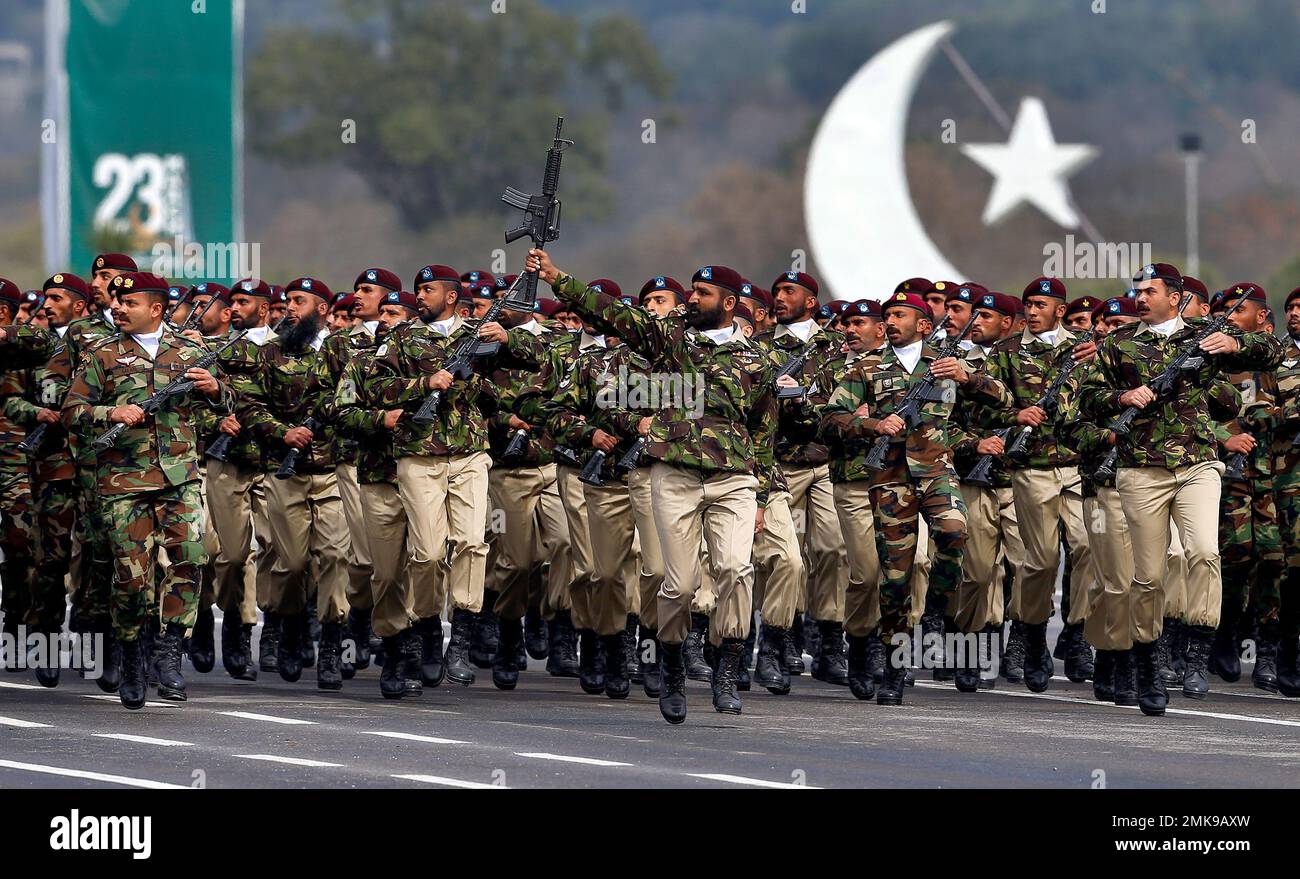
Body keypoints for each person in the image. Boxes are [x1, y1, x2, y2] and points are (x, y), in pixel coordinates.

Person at [532, 250, 776, 724]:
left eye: (703, 293)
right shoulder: (671, 339)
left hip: (734, 478)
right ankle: (670, 662)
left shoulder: (757, 357)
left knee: (734, 571)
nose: (692, 297)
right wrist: (557, 278)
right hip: (675, 474)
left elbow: (764, 431)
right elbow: (612, 313)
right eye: (692, 290)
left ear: (729, 303)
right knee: (678, 583)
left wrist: (762, 494)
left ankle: (728, 665)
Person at [1078, 265, 1282, 716]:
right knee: (1148, 577)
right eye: (1138, 290)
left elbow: (1273, 350)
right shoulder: (1118, 342)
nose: (1141, 297)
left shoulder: (1207, 337)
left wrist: (1235, 342)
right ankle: (1150, 661)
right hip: (1141, 469)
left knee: (1204, 553)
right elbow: (1087, 397)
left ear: (1176, 297)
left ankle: (1197, 650)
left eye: (1150, 291)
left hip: (1198, 463)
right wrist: (1121, 399)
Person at [62, 271, 230, 710]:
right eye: (116, 302)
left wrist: (215, 391)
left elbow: (226, 405)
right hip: (124, 482)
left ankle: (170, 653)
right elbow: (71, 409)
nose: (117, 307)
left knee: (190, 560)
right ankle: (132, 653)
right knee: (131, 579)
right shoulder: (103, 354)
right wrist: (111, 410)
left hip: (181, 477)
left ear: (155, 309)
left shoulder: (191, 350)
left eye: (128, 302)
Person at [238, 276, 351, 690]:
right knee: (291, 563)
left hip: (332, 471)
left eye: (299, 301)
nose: (289, 308)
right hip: (283, 473)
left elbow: (356, 399)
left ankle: (333, 647)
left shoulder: (345, 352)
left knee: (336, 557)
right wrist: (281, 432)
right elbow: (249, 404)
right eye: (287, 301)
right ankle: (288, 625)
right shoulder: (268, 351)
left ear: (323, 309)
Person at [985, 277, 1097, 692]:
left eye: (1040, 305)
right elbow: (988, 401)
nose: (1031, 311)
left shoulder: (1085, 349)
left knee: (1087, 548)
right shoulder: (1006, 353)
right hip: (1031, 468)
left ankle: (1080, 630)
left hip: (1078, 466)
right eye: (1028, 304)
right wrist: (1017, 414)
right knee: (1041, 560)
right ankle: (1030, 632)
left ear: (1060, 311)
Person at [757, 270, 848, 688]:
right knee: (781, 556)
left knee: (832, 550)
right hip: (780, 463)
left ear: (811, 301)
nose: (779, 297)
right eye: (776, 291)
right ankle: (776, 639)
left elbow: (846, 402)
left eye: (789, 292)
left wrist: (804, 400)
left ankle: (831, 641)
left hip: (826, 462)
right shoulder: (759, 346)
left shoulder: (836, 348)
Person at [203, 278, 280, 681]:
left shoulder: (288, 348)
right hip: (228, 461)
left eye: (243, 301)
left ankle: (274, 626)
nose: (233, 307)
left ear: (264, 309)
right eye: (230, 301)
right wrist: (217, 412)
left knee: (281, 552)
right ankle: (233, 620)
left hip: (275, 462)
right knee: (231, 555)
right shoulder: (213, 349)